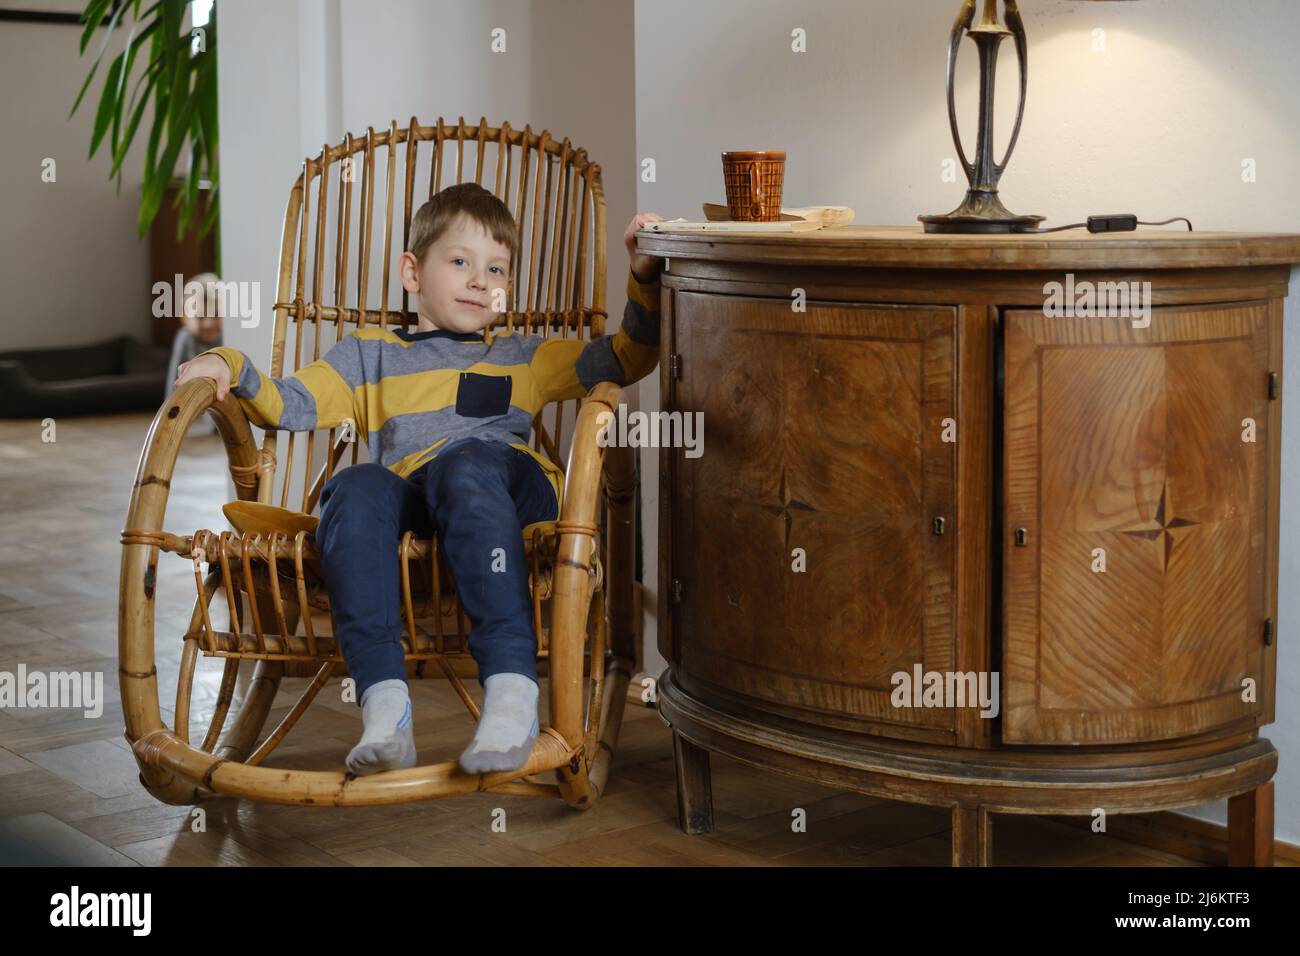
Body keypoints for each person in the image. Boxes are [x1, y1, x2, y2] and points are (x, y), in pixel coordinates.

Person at [174, 182, 665, 776]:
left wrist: (643, 275)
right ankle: (386, 706)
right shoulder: (367, 355)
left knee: (463, 462)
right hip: (418, 494)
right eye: (460, 262)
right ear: (413, 272)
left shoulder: (522, 355)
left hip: (506, 487)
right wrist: (224, 362)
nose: (481, 281)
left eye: (497, 268)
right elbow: (287, 403)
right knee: (354, 487)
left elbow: (627, 358)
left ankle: (512, 693)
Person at [165, 272, 224, 435]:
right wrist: (169, 417)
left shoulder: (228, 337)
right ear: (184, 318)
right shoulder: (185, 339)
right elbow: (173, 381)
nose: (209, 323)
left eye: (216, 314)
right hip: (203, 399)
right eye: (200, 317)